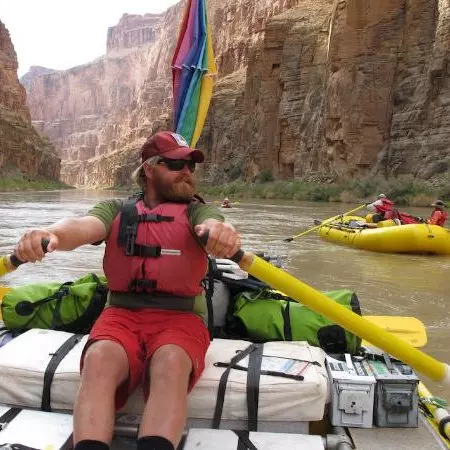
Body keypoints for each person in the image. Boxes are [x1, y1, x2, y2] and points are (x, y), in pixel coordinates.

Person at [13, 131, 241, 450]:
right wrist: (49, 234)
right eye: (176, 163)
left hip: (182, 318)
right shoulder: (116, 209)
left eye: (191, 164)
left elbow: (216, 225)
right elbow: (80, 227)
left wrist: (221, 232)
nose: (187, 171)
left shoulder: (197, 212)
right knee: (99, 360)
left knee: (171, 361)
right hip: (121, 315)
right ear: (149, 168)